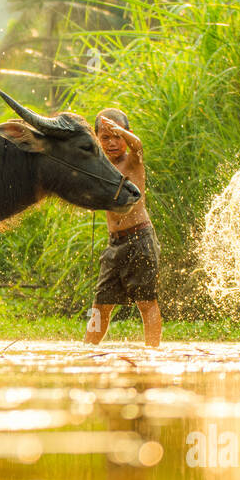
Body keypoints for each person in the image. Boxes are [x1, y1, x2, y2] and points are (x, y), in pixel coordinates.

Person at [84, 108, 161, 347]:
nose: (112, 142)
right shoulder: (98, 168)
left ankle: (153, 353)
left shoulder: (132, 160)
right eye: (105, 137)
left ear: (126, 135)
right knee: (100, 306)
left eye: (117, 136)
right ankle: (87, 349)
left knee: (146, 302)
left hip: (140, 239)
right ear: (97, 139)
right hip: (114, 244)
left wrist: (121, 132)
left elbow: (137, 146)